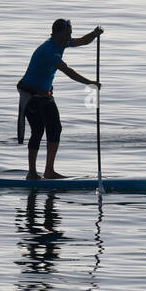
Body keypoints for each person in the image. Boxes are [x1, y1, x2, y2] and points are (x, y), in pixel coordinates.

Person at [17, 19, 102, 179]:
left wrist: (94, 34)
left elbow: (82, 41)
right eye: (66, 34)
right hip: (30, 95)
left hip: (45, 94)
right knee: (38, 131)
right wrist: (90, 83)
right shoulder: (48, 50)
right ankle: (32, 173)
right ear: (55, 33)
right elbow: (67, 71)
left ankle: (49, 171)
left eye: (70, 34)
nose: (69, 38)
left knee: (55, 129)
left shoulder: (61, 43)